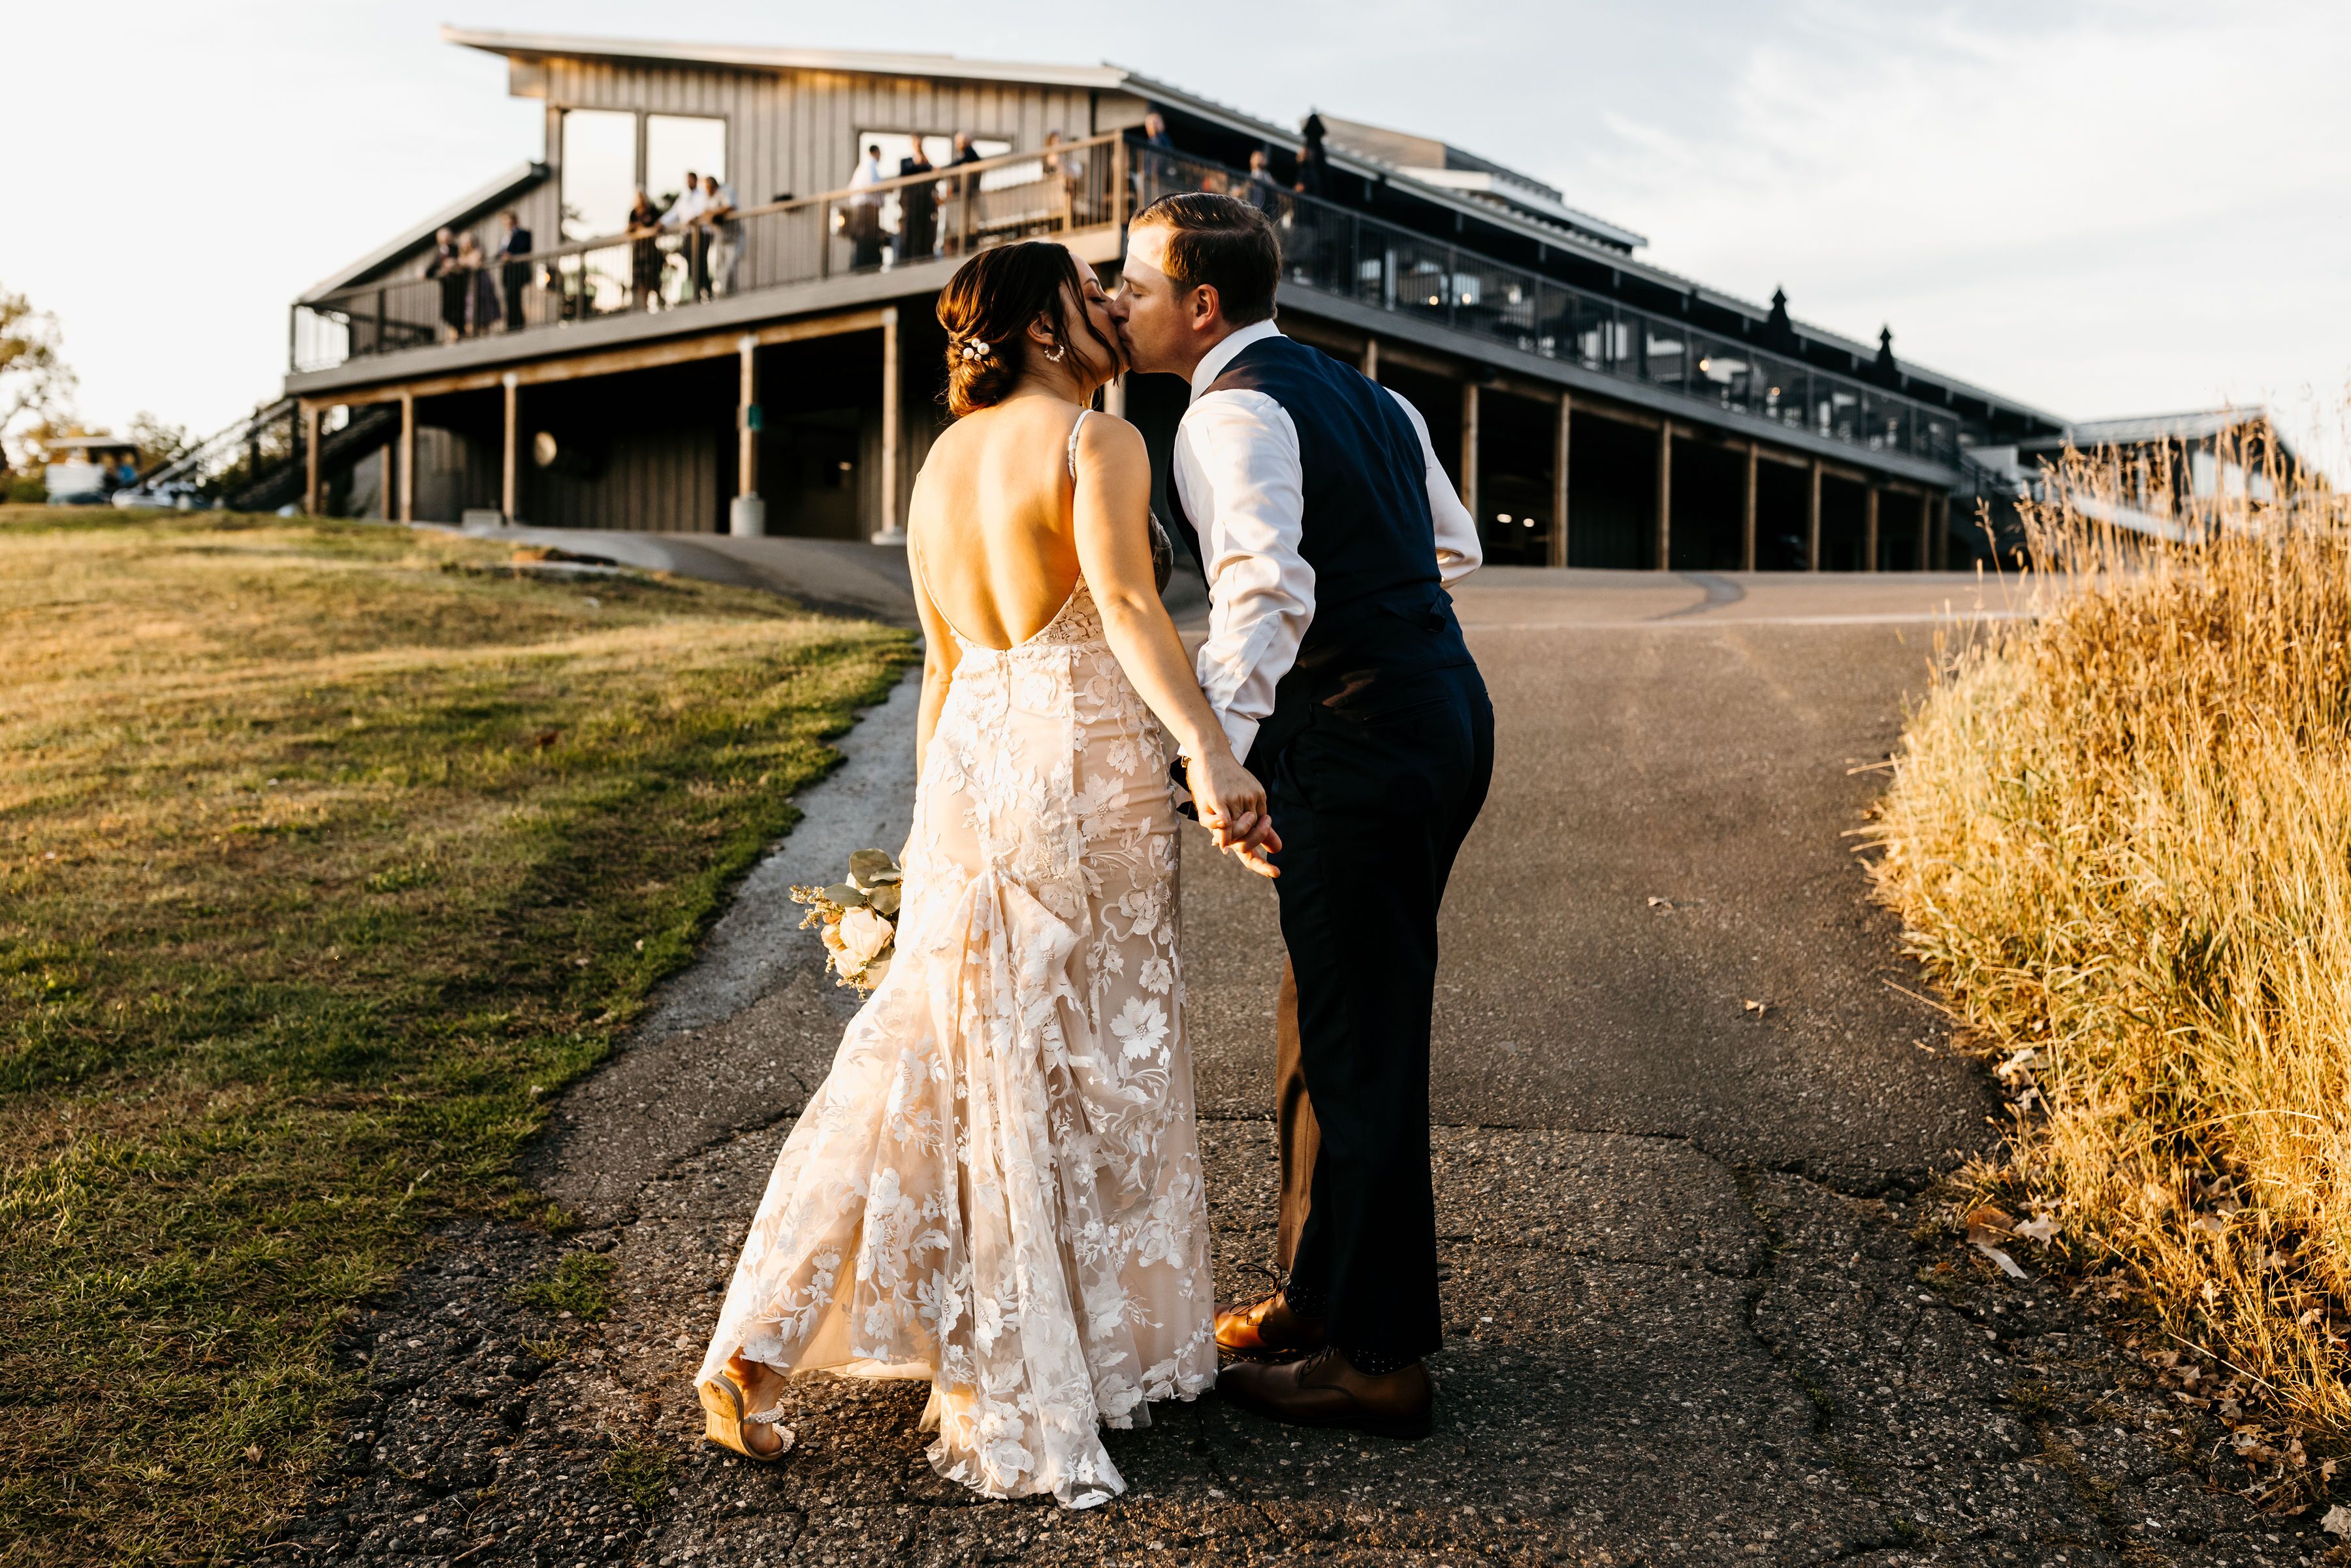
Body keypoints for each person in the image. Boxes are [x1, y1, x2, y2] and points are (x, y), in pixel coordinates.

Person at [694, 240, 1251, 1507]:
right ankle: (1056, 1355)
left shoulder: (939, 464)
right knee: (1082, 1055)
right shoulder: (1097, 443)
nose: (1110, 308)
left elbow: (942, 666)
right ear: (1048, 330)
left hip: (973, 768)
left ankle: (757, 1346)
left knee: (935, 1051)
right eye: (1088, 297)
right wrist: (1206, 746)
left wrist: (923, 836)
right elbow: (1120, 596)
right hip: (1084, 767)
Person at [1109, 193, 1489, 1439]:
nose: (1120, 302)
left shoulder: (1224, 413)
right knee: (1326, 1014)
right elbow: (1455, 543)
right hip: (1444, 713)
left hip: (1360, 739)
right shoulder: (1370, 394)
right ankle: (1316, 1295)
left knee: (1357, 1033)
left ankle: (1375, 1358)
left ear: (1200, 304)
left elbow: (1264, 590)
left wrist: (1218, 753)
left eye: (1137, 285)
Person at [660, 172, 710, 300]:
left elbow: (706, 210)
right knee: (690, 260)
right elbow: (674, 213)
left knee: (701, 262)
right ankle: (697, 289)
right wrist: (660, 223)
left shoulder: (703, 196)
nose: (689, 183)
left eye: (691, 180)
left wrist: (695, 219)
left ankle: (706, 289)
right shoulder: (684, 198)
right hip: (688, 234)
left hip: (701, 233)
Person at [844, 142, 886, 270]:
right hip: (867, 208)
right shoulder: (870, 166)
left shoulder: (862, 167)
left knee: (863, 237)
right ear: (875, 152)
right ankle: (867, 265)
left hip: (863, 207)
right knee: (868, 237)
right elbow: (872, 186)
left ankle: (863, 263)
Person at [896, 138, 937, 261]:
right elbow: (904, 172)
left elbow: (932, 173)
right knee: (909, 231)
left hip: (924, 205)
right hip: (910, 205)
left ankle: (924, 256)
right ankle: (907, 257)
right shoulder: (906, 161)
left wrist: (925, 163)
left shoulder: (926, 162)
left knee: (923, 231)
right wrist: (916, 163)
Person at [700, 173, 741, 296]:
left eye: (708, 188)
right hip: (719, 235)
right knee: (718, 266)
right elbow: (706, 213)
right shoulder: (708, 197)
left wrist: (715, 214)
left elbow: (730, 207)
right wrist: (714, 214)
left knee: (729, 266)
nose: (707, 191)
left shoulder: (726, 191)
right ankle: (722, 293)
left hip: (733, 235)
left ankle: (728, 292)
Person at [625, 188, 662, 312]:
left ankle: (661, 302)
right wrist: (635, 227)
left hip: (650, 250)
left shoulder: (652, 210)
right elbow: (628, 229)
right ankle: (645, 306)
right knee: (642, 281)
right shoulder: (633, 213)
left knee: (654, 278)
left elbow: (660, 221)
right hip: (639, 250)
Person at [496, 208, 533, 332]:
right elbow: (499, 253)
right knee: (509, 298)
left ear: (514, 220)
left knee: (514, 297)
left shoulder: (523, 234)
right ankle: (511, 324)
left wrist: (510, 255)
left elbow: (525, 248)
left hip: (517, 271)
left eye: (508, 220)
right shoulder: (505, 237)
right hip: (507, 273)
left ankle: (517, 324)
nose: (506, 223)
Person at [427, 227, 465, 342]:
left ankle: (461, 332)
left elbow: (464, 262)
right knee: (446, 313)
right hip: (446, 286)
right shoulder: (439, 253)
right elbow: (431, 271)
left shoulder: (457, 249)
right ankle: (459, 331)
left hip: (458, 285)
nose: (446, 239)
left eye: (448, 236)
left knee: (459, 310)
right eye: (443, 237)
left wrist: (455, 265)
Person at [458, 233, 498, 336]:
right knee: (470, 305)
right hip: (470, 283)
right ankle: (472, 331)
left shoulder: (479, 250)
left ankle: (484, 329)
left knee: (483, 305)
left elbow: (473, 261)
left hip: (481, 282)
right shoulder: (463, 254)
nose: (467, 244)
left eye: (468, 241)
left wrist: (465, 261)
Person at [1245, 148, 1283, 216]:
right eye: (1258, 156)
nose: (1261, 158)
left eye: (1263, 156)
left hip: (1265, 213)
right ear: (1252, 160)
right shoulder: (1247, 178)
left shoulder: (1270, 178)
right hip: (1250, 211)